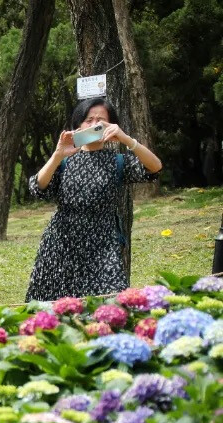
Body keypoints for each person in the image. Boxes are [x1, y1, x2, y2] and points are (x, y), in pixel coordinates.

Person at [25, 98, 162, 302]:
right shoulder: (64, 161)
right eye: (89, 120)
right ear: (78, 125)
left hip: (103, 243)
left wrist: (127, 139)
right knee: (54, 309)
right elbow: (37, 187)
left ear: (111, 126)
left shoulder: (117, 162)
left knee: (111, 302)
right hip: (62, 243)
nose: (94, 124)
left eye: (101, 120)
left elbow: (155, 167)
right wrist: (57, 155)